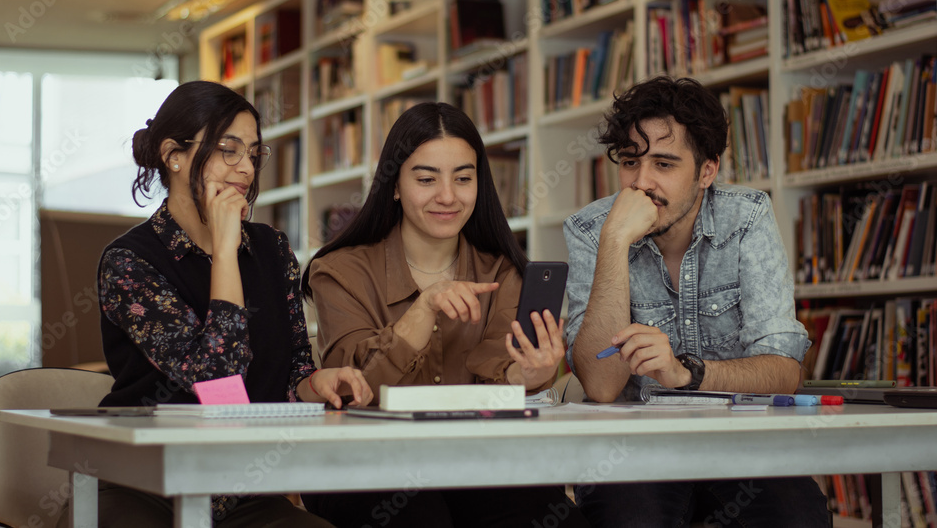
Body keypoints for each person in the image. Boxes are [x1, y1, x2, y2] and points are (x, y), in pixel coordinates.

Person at [85, 80, 371, 528]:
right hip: (147, 484)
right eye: (229, 150)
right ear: (173, 155)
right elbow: (217, 381)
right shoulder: (129, 262)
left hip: (240, 491)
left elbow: (292, 371)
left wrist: (318, 383)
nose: (246, 169)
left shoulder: (273, 249)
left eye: (254, 154)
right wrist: (224, 250)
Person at [300, 101, 590, 528]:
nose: (448, 196)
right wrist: (422, 311)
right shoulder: (340, 271)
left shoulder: (503, 271)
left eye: (463, 178)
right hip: (364, 462)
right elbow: (353, 387)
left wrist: (530, 375)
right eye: (426, 179)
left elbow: (500, 374)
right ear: (394, 185)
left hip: (474, 461)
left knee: (557, 517)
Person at [564, 76, 830, 527]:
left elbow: (784, 372)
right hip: (633, 455)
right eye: (630, 162)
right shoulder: (592, 230)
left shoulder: (747, 217)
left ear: (707, 171)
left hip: (740, 446)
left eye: (664, 164)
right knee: (630, 518)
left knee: (796, 516)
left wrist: (687, 373)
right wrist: (615, 240)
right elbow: (602, 386)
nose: (641, 183)